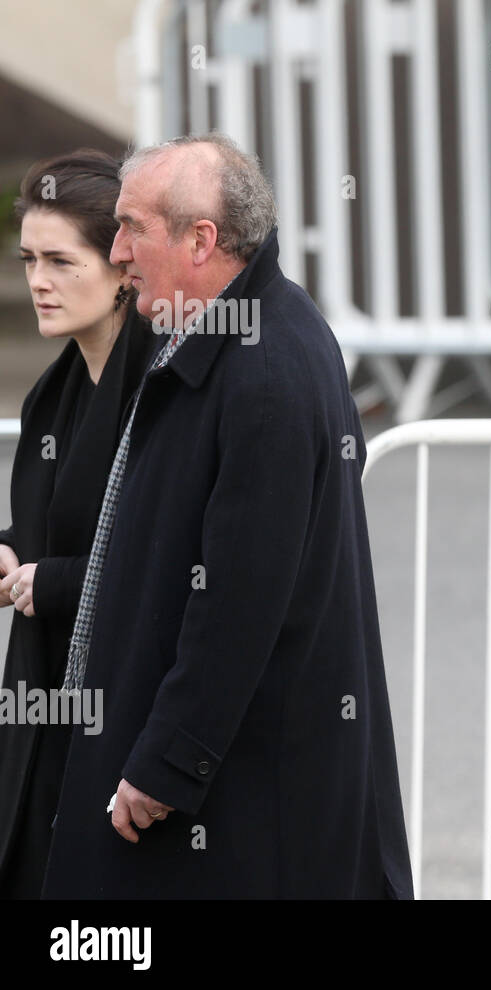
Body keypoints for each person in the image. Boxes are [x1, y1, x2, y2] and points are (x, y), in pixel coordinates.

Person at [38, 133, 413, 898]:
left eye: (132, 227)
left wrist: (168, 762)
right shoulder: (222, 335)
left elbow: (239, 601)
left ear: (201, 239)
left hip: (238, 802)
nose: (116, 251)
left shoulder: (263, 369)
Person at [0, 150, 156, 898]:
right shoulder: (54, 394)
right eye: (29, 258)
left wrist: (55, 583)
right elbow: (49, 531)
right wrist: (9, 560)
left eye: (62, 261)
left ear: (123, 266)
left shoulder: (163, 391)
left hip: (123, 711)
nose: (38, 280)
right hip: (45, 699)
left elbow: (167, 554)